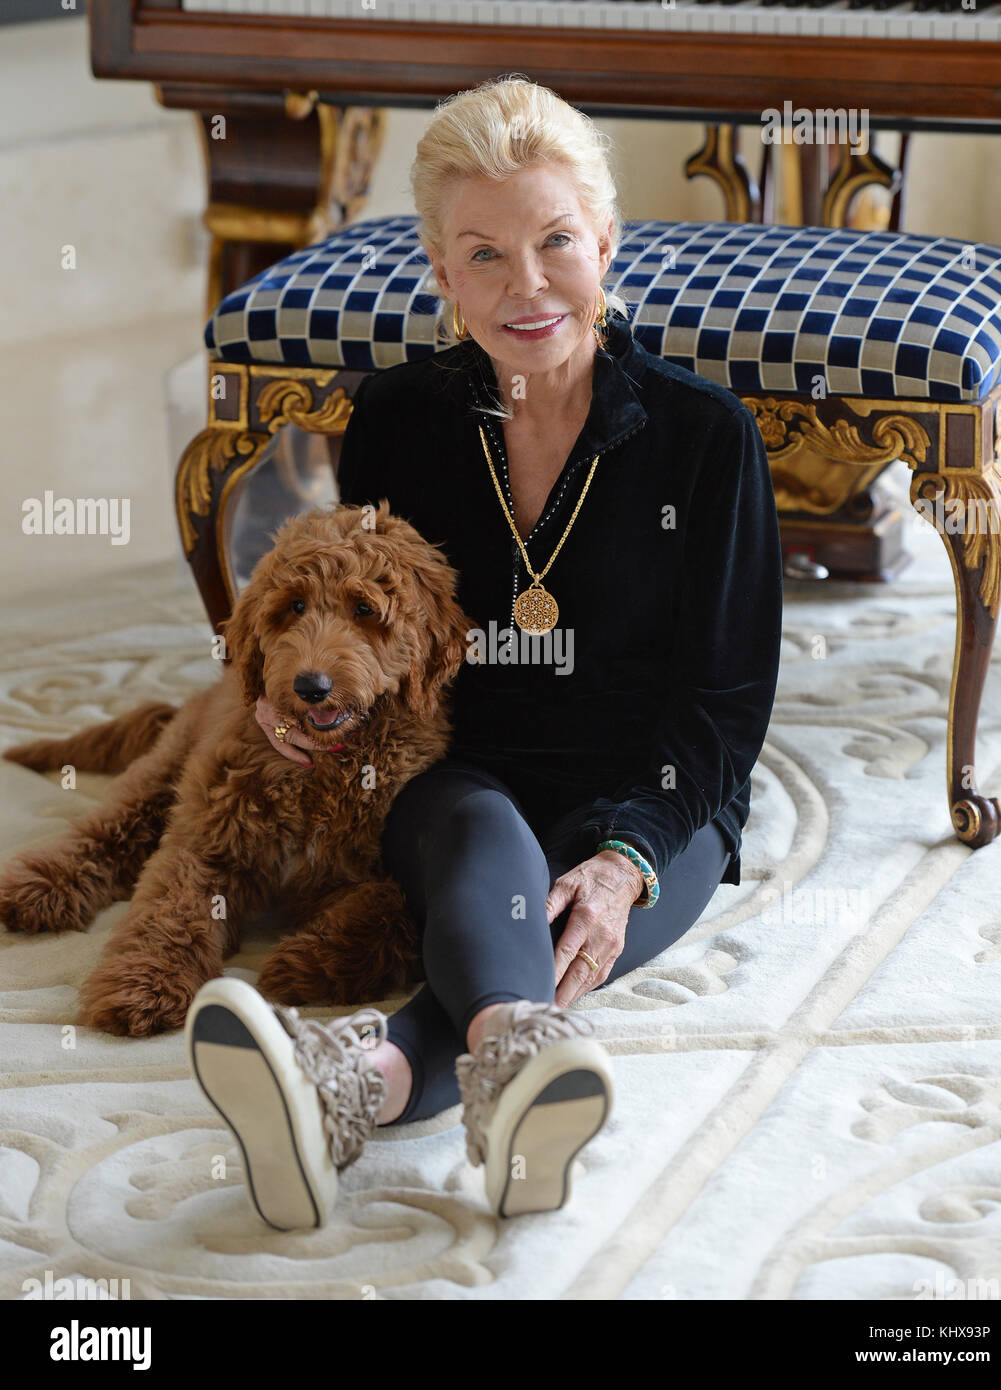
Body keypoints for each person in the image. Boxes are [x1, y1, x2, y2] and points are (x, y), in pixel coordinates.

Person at [186, 74, 783, 1230]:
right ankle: (515, 1067)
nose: (528, 286)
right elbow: (352, 632)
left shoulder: (707, 442)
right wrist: (292, 705)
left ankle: (352, 1088)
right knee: (473, 834)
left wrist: (623, 862)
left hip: (653, 797)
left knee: (550, 911)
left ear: (605, 242)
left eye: (556, 241)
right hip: (460, 771)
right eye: (484, 255)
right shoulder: (398, 421)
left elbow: (721, 706)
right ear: (439, 269)